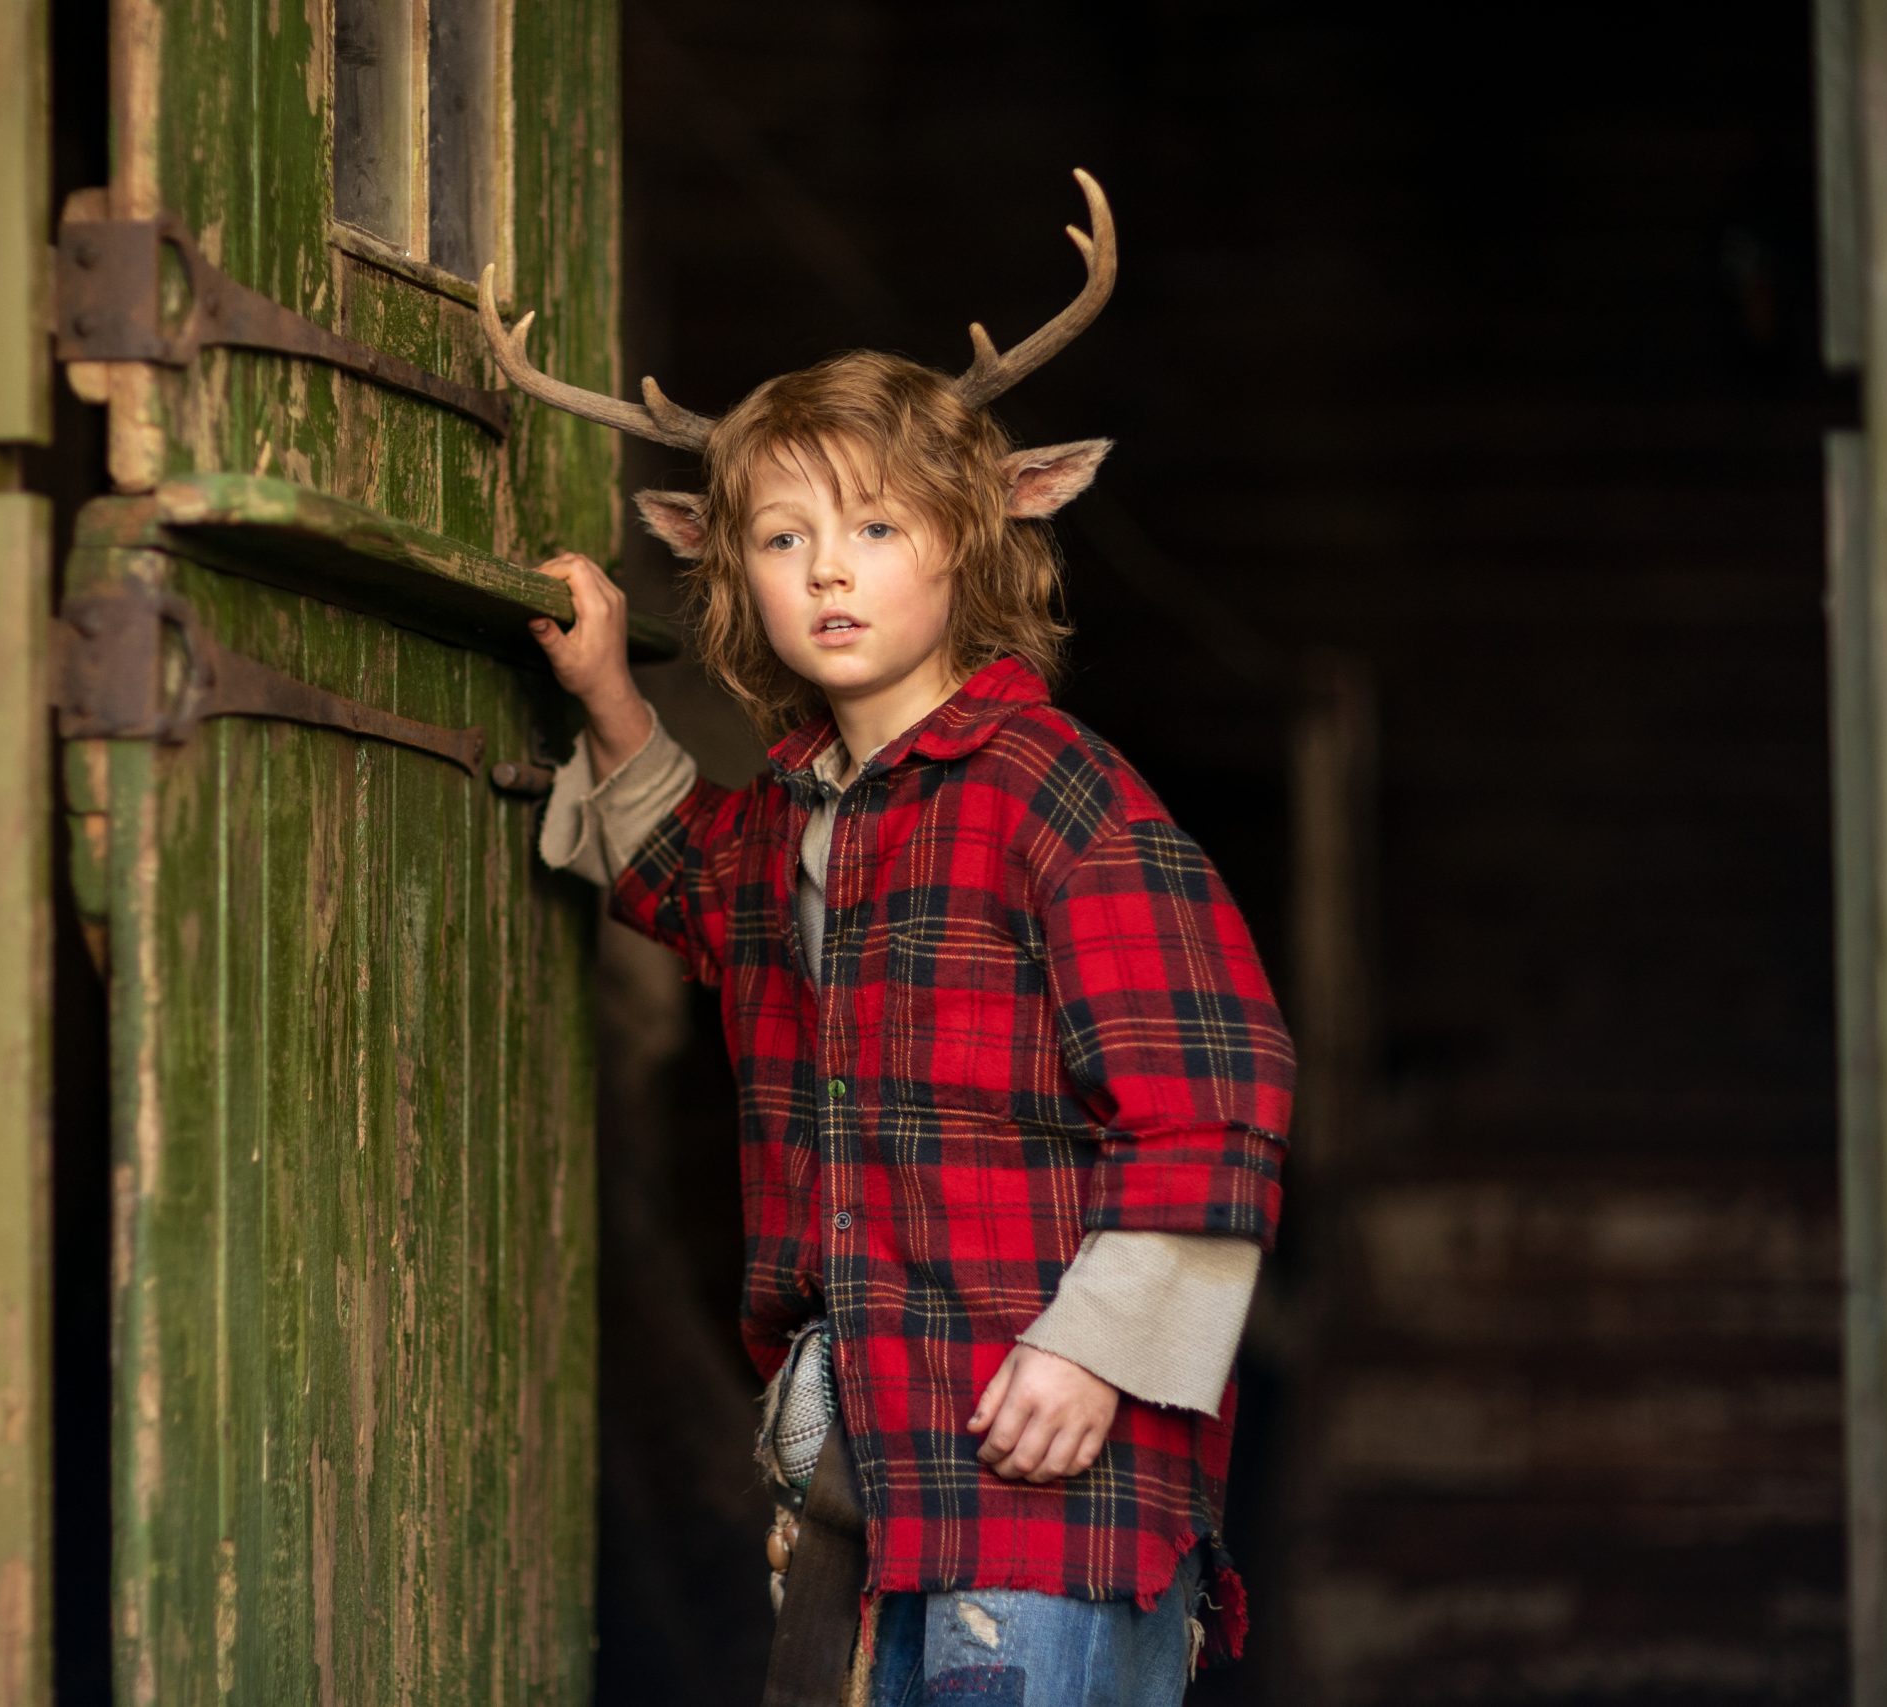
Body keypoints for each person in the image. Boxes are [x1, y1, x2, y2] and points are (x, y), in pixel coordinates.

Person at [486, 171, 1293, 1707]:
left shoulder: (1057, 797)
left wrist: (1096, 1351)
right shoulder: (803, 810)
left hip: (1050, 1461)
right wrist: (603, 690)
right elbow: (683, 879)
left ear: (988, 526)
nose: (829, 571)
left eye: (873, 526)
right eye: (781, 540)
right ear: (723, 565)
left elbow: (1219, 1086)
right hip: (868, 1466)